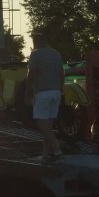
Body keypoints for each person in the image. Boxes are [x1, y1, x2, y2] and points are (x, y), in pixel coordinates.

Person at [25, 29, 65, 163]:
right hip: (56, 92)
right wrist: (61, 89)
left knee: (43, 125)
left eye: (34, 41)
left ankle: (57, 150)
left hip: (43, 93)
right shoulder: (56, 54)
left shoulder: (35, 54)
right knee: (48, 126)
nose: (34, 43)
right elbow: (61, 73)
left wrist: (27, 92)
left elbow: (31, 74)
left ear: (37, 41)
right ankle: (45, 154)